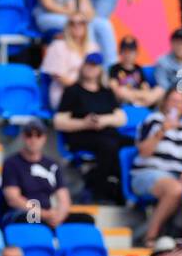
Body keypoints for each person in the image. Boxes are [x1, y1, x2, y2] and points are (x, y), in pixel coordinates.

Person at [131, 89, 182, 242]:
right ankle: (151, 235)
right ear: (164, 102)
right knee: (175, 189)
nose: (176, 105)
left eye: (180, 102)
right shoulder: (153, 120)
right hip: (149, 173)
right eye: (172, 100)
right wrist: (162, 130)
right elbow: (143, 151)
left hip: (178, 174)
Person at [54, 54, 127, 204]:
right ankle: (99, 192)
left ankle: (116, 188)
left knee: (130, 144)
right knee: (108, 146)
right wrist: (84, 123)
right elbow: (59, 121)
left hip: (106, 132)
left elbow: (121, 118)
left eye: (95, 65)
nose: (91, 68)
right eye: (88, 64)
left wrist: (103, 120)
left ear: (100, 69)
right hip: (82, 135)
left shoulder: (106, 92)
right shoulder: (73, 90)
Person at [0, 119, 74, 229]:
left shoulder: (52, 164)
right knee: (33, 220)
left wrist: (59, 216)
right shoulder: (11, 163)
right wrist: (43, 214)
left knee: (85, 219)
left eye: (38, 135)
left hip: (48, 213)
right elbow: (13, 199)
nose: (33, 139)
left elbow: (64, 198)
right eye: (29, 135)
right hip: (23, 213)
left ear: (44, 138)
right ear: (23, 137)